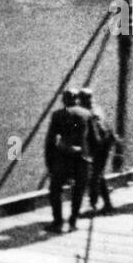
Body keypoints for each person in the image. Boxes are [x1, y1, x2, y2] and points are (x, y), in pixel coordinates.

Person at [44, 89, 94, 232]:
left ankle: (58, 222)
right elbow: (94, 139)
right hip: (82, 158)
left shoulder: (57, 115)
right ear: (77, 99)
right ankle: (73, 221)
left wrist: (49, 162)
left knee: (55, 189)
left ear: (63, 100)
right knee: (79, 190)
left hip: (63, 157)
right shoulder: (87, 114)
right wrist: (90, 156)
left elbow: (50, 141)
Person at [76, 88, 116, 214]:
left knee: (94, 176)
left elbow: (95, 134)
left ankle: (93, 205)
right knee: (98, 174)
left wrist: (91, 151)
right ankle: (107, 204)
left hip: (100, 146)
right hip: (105, 143)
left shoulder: (89, 113)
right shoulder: (96, 108)